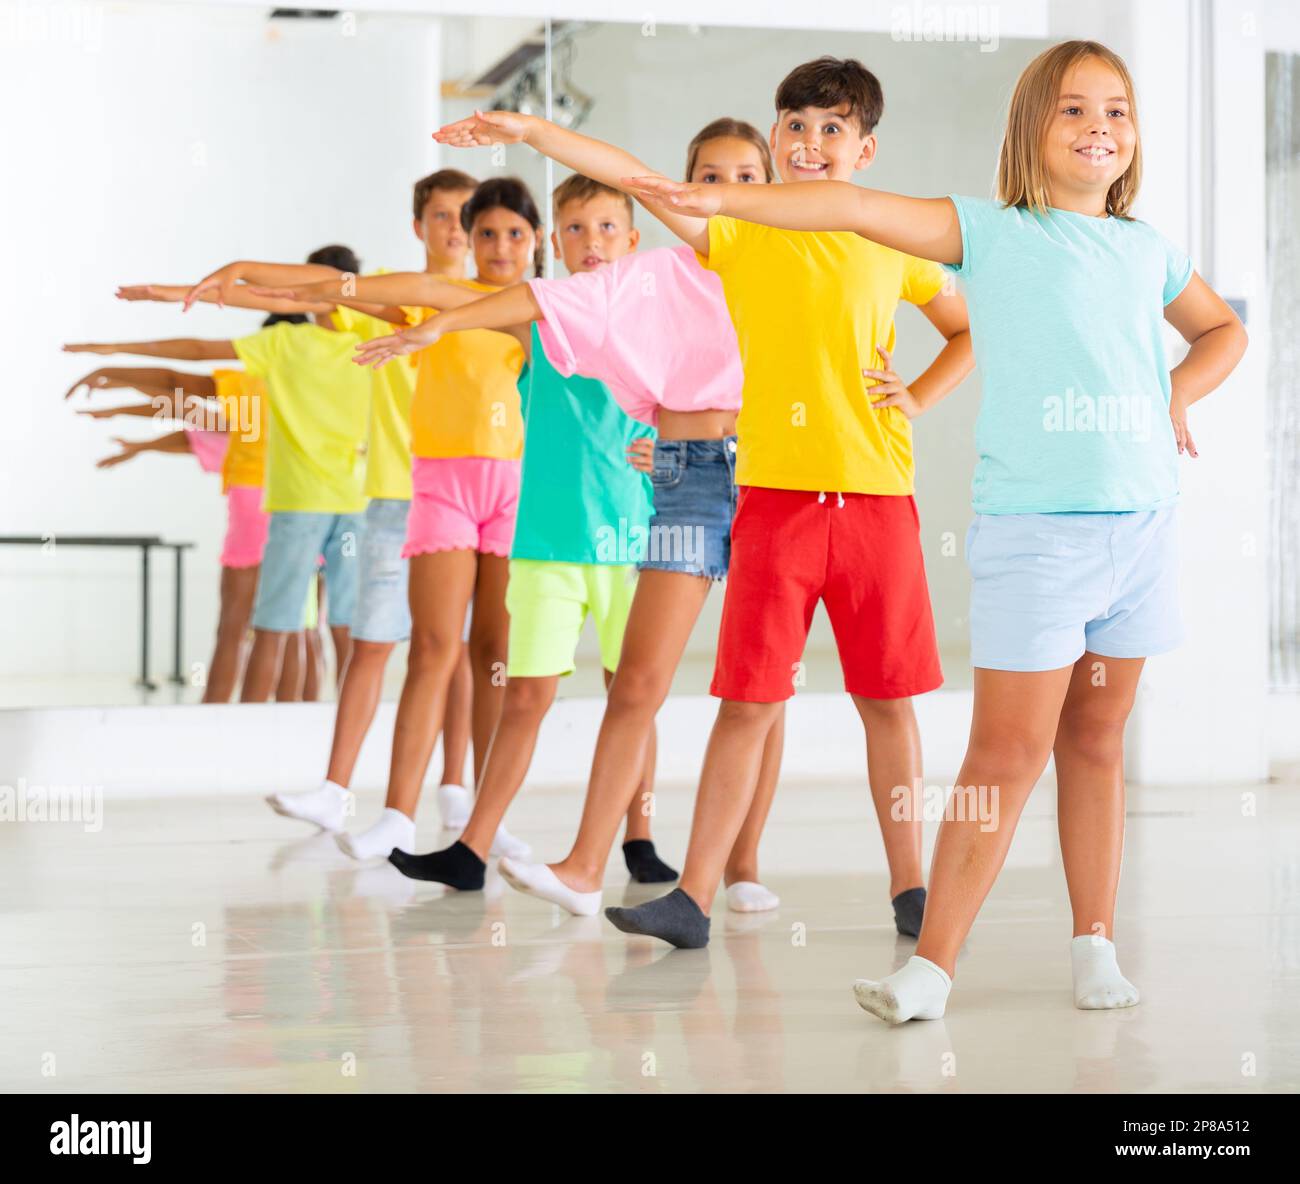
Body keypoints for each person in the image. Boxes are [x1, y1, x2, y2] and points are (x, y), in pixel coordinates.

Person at [622, 40, 1247, 1016]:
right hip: (1034, 531)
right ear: (1029, 124)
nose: (1098, 128)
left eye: (1115, 111)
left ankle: (1094, 944)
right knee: (1004, 753)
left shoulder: (1148, 246)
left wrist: (1170, 395)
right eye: (1073, 109)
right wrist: (711, 196)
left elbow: (1223, 332)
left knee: (1097, 738)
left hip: (1143, 525)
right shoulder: (984, 228)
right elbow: (844, 207)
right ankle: (932, 963)